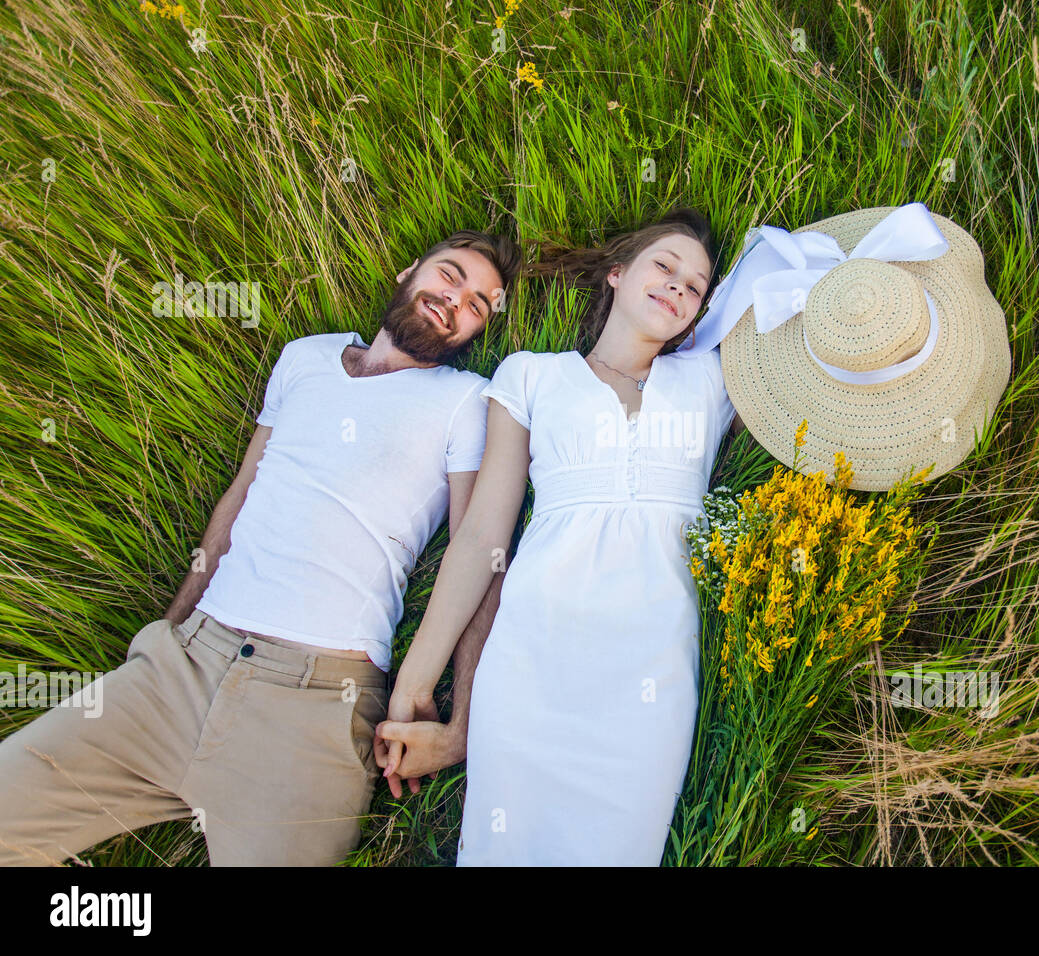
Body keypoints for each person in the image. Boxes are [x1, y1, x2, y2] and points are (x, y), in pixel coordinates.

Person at [0, 229, 521, 866]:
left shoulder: (465, 400)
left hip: (316, 708)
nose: (456, 302)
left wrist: (459, 722)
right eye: (450, 276)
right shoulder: (305, 358)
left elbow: (481, 560)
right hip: (179, 671)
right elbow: (242, 492)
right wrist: (168, 630)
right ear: (410, 271)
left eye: (478, 305)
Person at [376, 209, 746, 865]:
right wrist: (417, 677)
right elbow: (483, 535)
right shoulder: (531, 375)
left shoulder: (714, 381)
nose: (679, 287)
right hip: (531, 666)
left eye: (696, 285)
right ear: (617, 273)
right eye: (665, 266)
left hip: (651, 679)